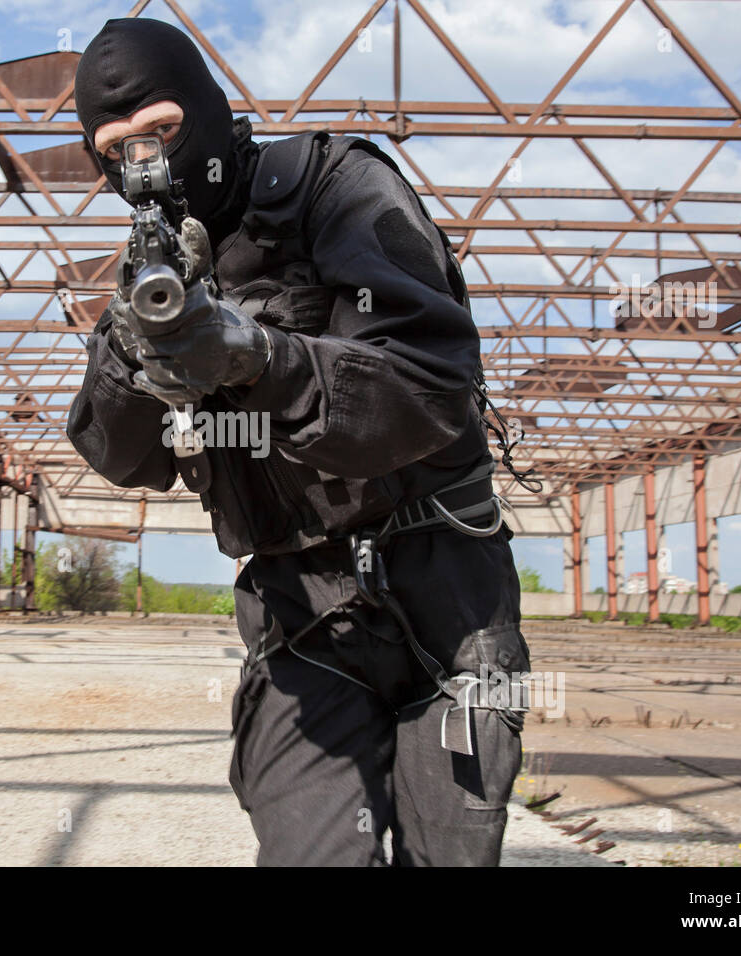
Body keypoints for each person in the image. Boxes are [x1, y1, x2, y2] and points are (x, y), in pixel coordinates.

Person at [67, 17, 532, 866]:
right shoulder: (150, 277)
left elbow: (430, 386)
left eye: (162, 132)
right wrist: (131, 363)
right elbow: (120, 457)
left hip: (447, 594)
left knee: (453, 857)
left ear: (205, 111)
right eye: (117, 149)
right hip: (298, 613)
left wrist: (262, 359)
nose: (145, 164)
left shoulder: (331, 186)